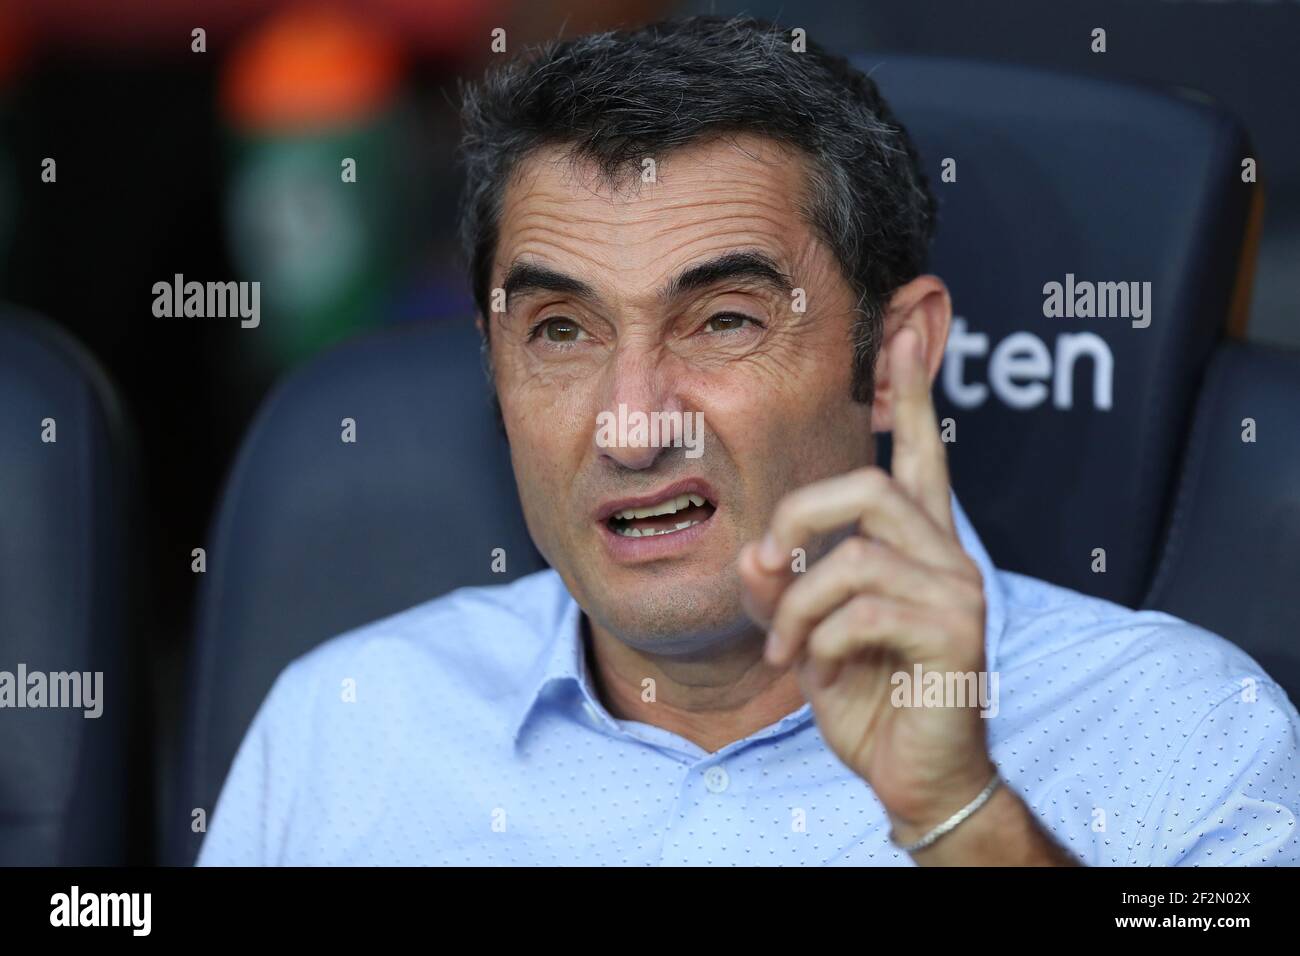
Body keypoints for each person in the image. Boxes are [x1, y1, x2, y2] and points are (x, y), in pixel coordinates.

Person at [197, 15, 1300, 866]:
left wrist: (963, 817)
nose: (631, 423)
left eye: (722, 319)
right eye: (561, 331)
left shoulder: (1187, 732)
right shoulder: (341, 729)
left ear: (893, 357)